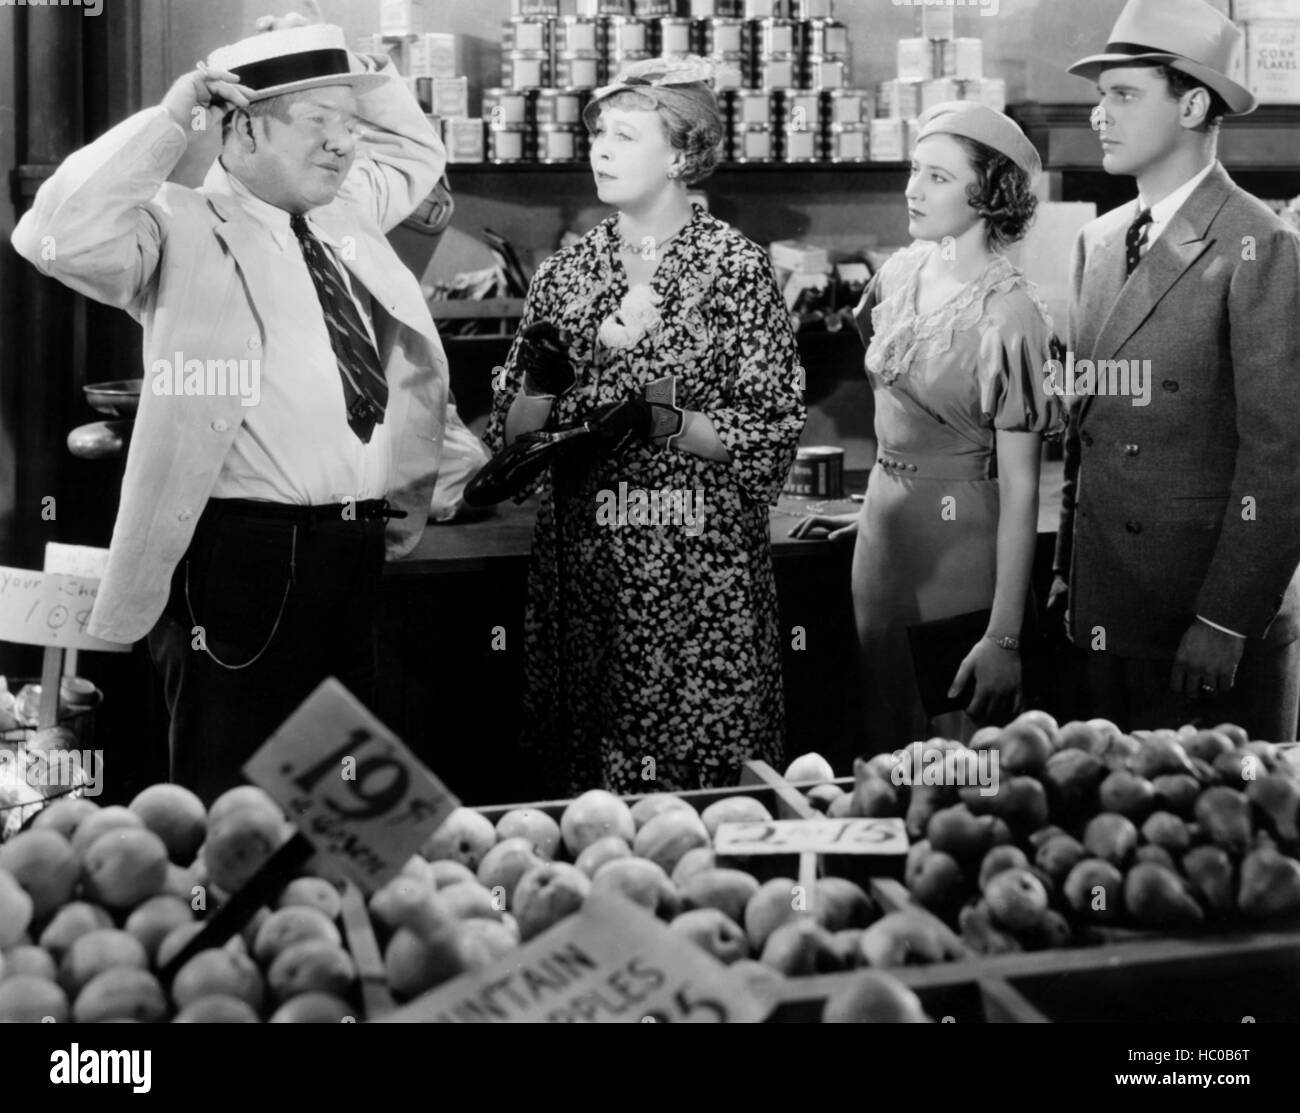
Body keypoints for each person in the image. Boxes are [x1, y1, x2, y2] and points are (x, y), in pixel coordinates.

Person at [12, 17, 451, 802]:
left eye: (351, 127)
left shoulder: (344, 214)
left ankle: (326, 927)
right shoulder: (176, 224)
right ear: (241, 128)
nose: (344, 145)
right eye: (318, 124)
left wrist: (359, 67)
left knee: (350, 810)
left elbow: (417, 153)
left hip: (354, 550)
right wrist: (176, 112)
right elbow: (53, 232)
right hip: (242, 562)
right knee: (237, 807)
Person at [485, 57, 805, 797]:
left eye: (626, 135)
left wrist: (665, 422)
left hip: (698, 576)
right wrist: (538, 384)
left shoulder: (733, 268)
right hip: (586, 574)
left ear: (683, 155)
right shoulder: (565, 272)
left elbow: (769, 426)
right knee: (589, 802)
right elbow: (513, 444)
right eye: (597, 133)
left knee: (701, 804)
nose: (600, 148)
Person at [1051, 0, 1300, 741]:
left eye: (1123, 94)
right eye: (1100, 96)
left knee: (1212, 843)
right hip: (1104, 610)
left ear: (1193, 104)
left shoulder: (1260, 244)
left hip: (1206, 624)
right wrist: (1070, 568)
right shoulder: (1097, 243)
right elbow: (1084, 429)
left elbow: (1282, 454)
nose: (1100, 115)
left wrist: (1225, 618)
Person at [793, 102, 1061, 753]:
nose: (913, 189)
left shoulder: (1012, 314)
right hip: (884, 537)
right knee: (882, 740)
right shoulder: (898, 274)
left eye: (938, 176)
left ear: (989, 191)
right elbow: (902, 403)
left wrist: (1003, 638)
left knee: (952, 753)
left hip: (962, 546)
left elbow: (1021, 490)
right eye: (915, 170)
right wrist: (884, 509)